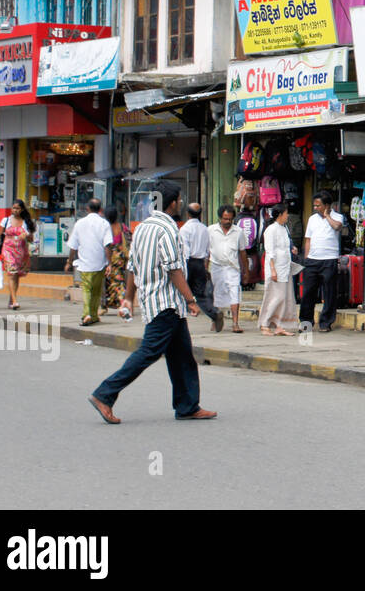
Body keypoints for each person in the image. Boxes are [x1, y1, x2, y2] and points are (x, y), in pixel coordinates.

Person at [88, 180, 216, 424]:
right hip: (166, 303)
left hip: (159, 302)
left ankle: (188, 405)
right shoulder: (168, 230)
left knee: (183, 356)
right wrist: (191, 299)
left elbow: (132, 267)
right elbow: (173, 269)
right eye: (178, 199)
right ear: (171, 203)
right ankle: (105, 393)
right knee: (148, 352)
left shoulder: (143, 228)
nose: (180, 203)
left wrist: (128, 298)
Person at [301, 191, 345, 333]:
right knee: (308, 293)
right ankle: (306, 322)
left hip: (329, 259)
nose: (315, 208)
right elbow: (308, 239)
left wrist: (326, 215)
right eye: (314, 205)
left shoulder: (337, 217)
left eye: (318, 205)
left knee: (329, 292)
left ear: (326, 206)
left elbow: (337, 227)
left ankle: (325, 322)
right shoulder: (312, 219)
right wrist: (307, 258)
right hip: (313, 261)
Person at [65, 199, 113, 326]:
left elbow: (73, 246)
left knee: (86, 289)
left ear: (87, 208)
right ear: (100, 209)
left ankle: (87, 314)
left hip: (85, 262)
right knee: (97, 290)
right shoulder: (104, 224)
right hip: (99, 263)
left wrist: (69, 262)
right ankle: (93, 315)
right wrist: (110, 263)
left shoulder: (79, 223)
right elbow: (107, 245)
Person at [179, 203, 223, 332]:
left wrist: (183, 269)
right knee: (200, 293)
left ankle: (180, 320)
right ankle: (214, 313)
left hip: (189, 262)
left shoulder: (185, 229)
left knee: (182, 290)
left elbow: (185, 251)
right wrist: (205, 265)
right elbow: (207, 249)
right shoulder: (204, 228)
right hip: (200, 263)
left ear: (187, 214)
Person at [208, 205, 249, 334]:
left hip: (233, 268)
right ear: (220, 218)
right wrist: (205, 269)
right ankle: (215, 321)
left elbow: (242, 253)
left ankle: (235, 323)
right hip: (216, 266)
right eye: (225, 219)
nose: (227, 222)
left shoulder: (238, 232)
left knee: (234, 293)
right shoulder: (211, 230)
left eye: (230, 219)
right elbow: (206, 251)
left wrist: (246, 271)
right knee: (216, 295)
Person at [259, 204, 298, 336]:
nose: (287, 216)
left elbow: (285, 246)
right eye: (286, 213)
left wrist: (292, 249)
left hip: (285, 267)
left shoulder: (283, 229)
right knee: (276, 297)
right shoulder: (271, 230)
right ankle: (265, 323)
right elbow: (269, 251)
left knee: (285, 297)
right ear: (280, 215)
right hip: (275, 268)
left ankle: (279, 325)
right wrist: (273, 270)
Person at [0, 199, 35, 310]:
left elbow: (31, 239)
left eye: (17, 208)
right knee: (11, 274)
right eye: (13, 208)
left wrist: (26, 235)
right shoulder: (5, 220)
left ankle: (12, 298)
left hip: (21, 252)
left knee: (16, 275)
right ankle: (15, 301)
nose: (15, 210)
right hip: (8, 250)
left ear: (22, 210)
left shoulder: (25, 222)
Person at [102, 207, 130, 314]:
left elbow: (106, 245)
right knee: (118, 279)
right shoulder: (122, 227)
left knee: (116, 281)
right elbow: (129, 239)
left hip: (111, 257)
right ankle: (113, 304)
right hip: (122, 257)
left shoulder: (107, 228)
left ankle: (122, 304)